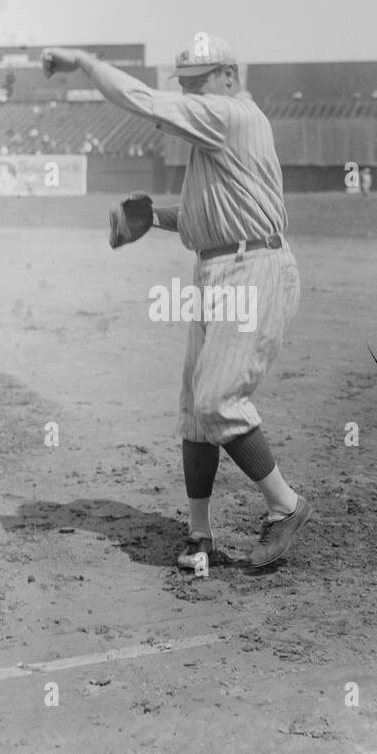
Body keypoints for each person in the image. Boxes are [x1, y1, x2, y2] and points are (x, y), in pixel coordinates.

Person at [42, 33, 311, 572]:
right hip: (218, 266)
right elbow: (204, 221)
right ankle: (199, 535)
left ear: (230, 77)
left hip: (253, 269)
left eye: (197, 82)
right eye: (184, 85)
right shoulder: (214, 136)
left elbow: (140, 101)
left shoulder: (231, 115)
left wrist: (87, 63)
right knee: (195, 412)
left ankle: (286, 505)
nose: (188, 93)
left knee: (217, 402)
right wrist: (155, 218)